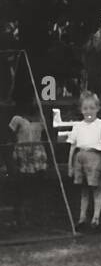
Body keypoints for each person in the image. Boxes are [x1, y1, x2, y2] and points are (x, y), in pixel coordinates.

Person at [67, 91, 101, 232]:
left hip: (95, 159)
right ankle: (82, 218)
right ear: (81, 110)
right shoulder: (78, 126)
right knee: (84, 190)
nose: (89, 112)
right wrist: (70, 166)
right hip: (80, 158)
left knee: (96, 189)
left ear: (97, 108)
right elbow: (73, 147)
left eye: (92, 108)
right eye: (85, 108)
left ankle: (96, 218)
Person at [7, 94, 50, 229]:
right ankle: (20, 217)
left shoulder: (40, 119)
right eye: (31, 100)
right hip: (23, 154)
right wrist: (13, 159)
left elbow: (46, 135)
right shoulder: (17, 119)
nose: (33, 103)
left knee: (37, 186)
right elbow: (10, 137)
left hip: (37, 155)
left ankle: (35, 216)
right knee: (21, 186)